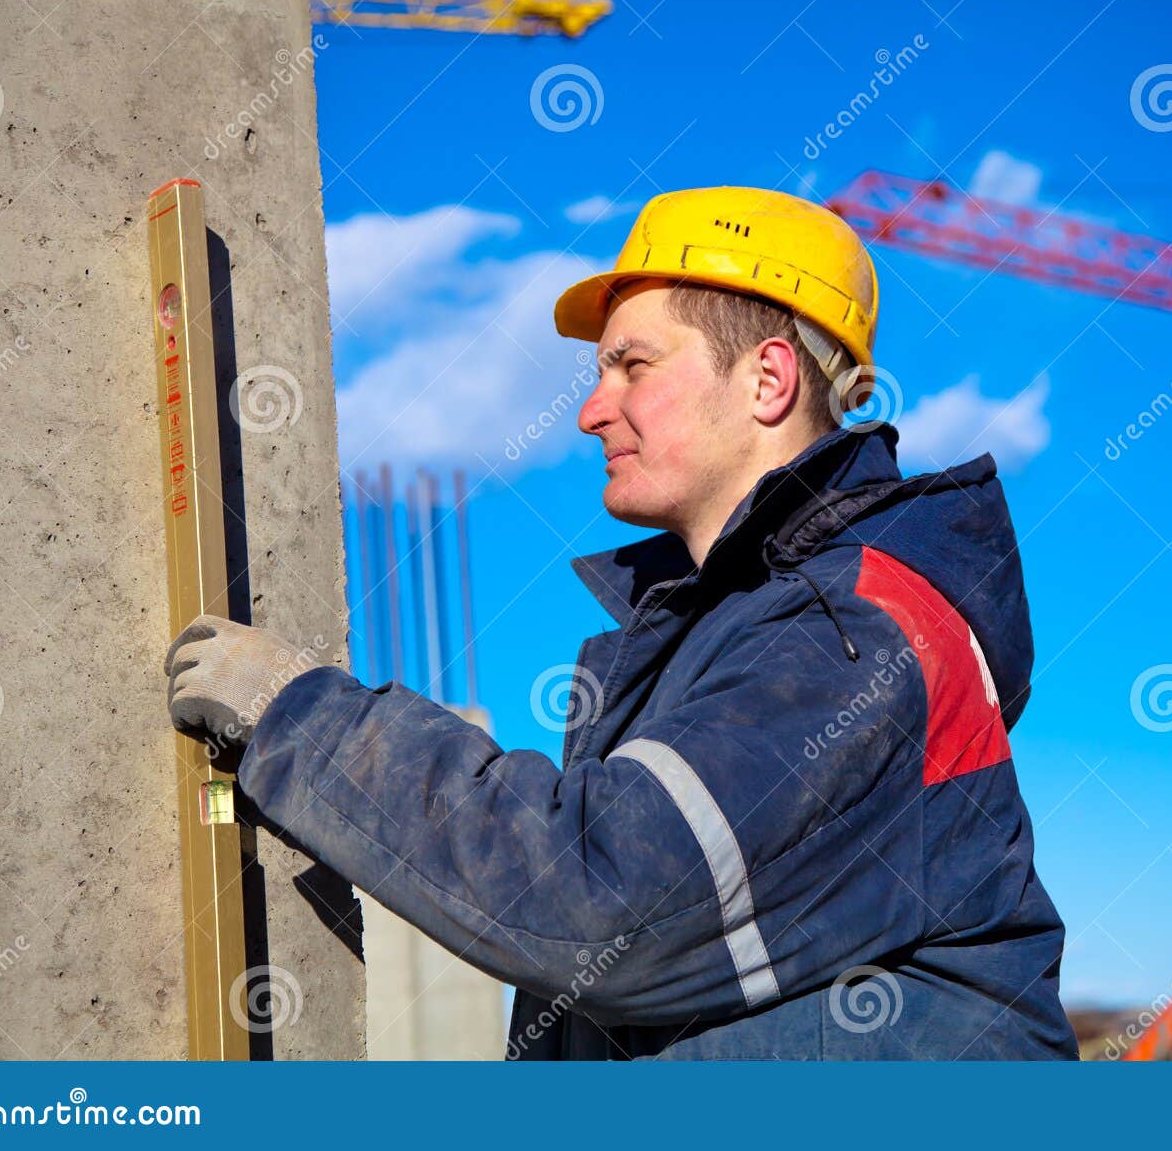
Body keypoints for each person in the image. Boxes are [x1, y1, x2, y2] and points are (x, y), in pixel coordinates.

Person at [165, 186, 1078, 1060]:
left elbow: (598, 893)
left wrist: (303, 718)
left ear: (768, 378)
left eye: (633, 365)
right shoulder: (744, 630)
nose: (590, 410)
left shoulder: (857, 630)